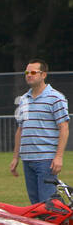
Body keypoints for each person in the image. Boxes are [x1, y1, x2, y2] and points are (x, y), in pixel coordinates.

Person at [10, 59, 69, 205]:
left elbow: (64, 128)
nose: (29, 75)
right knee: (35, 205)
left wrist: (58, 157)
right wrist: (15, 157)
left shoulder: (56, 98)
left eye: (33, 72)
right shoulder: (23, 99)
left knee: (48, 205)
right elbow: (21, 129)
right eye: (27, 72)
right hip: (27, 159)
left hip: (46, 160)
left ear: (43, 75)